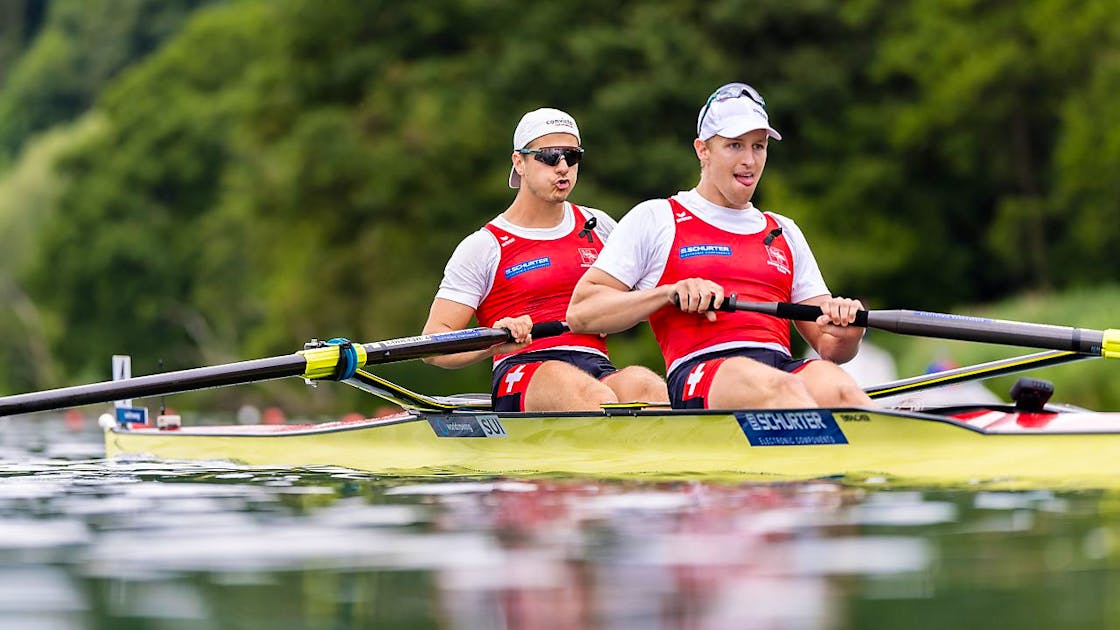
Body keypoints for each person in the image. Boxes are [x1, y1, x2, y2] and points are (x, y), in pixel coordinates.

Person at [566, 83, 875, 410]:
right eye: (734, 146)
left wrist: (849, 331)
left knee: (845, 393)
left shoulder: (784, 231)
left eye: (759, 146)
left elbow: (831, 349)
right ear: (703, 150)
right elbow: (581, 313)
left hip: (780, 369)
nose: (749, 161)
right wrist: (667, 293)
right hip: (703, 371)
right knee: (783, 391)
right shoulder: (657, 218)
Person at [422, 107, 668, 412]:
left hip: (596, 367)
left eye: (572, 156)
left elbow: (646, 304)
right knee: (593, 399)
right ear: (519, 162)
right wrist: (494, 341)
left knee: (650, 389)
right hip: (524, 369)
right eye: (550, 156)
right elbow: (434, 345)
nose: (563, 167)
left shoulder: (600, 226)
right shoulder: (485, 246)